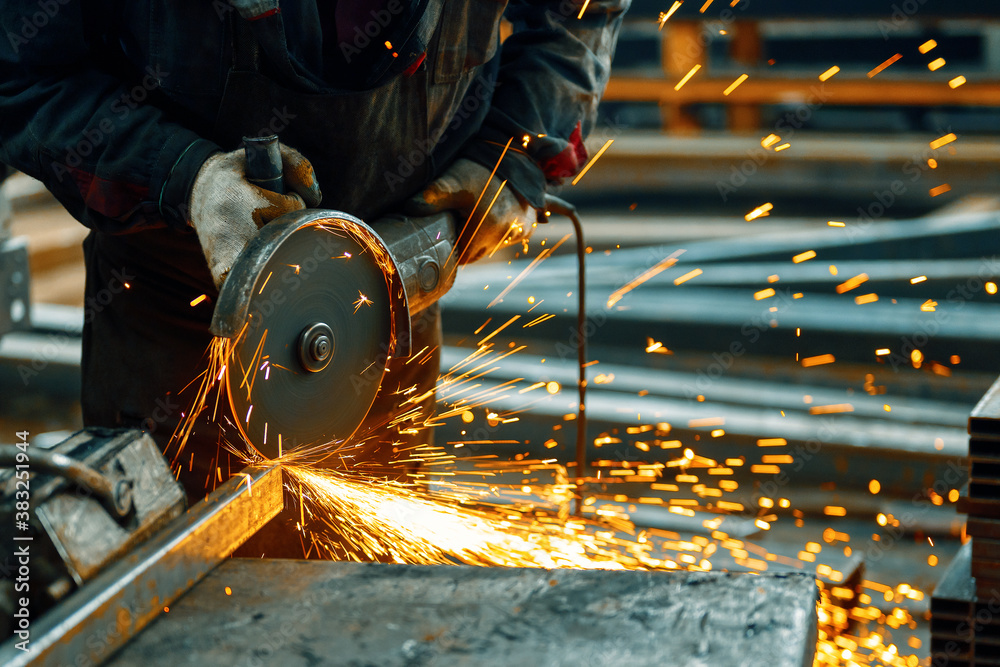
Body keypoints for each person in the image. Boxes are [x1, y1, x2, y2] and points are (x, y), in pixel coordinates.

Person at [0, 0, 628, 521]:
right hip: (176, 314)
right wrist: (183, 179)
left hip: (387, 297)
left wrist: (512, 144)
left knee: (376, 595)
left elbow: (580, 14)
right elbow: (21, 76)